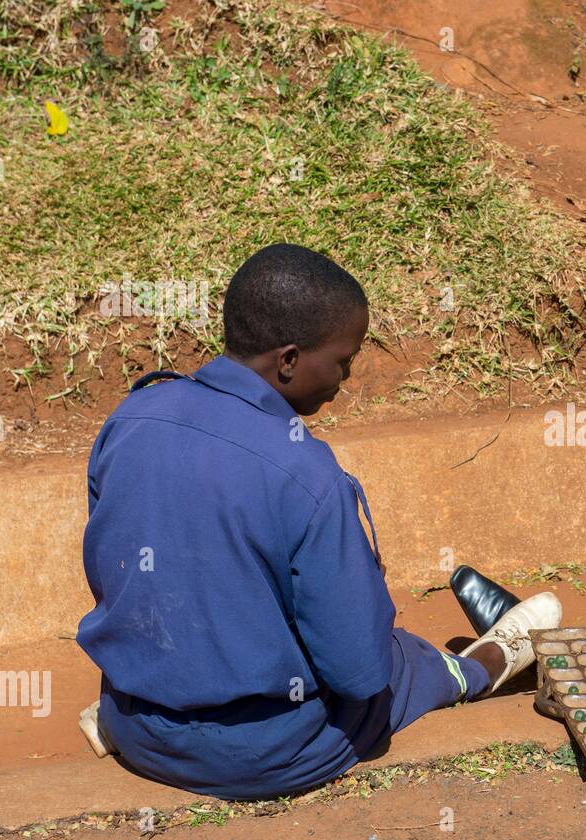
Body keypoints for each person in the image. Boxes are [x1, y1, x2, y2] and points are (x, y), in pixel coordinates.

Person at [75, 243, 561, 799]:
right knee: (398, 662)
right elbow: (358, 674)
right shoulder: (305, 470)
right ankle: (482, 667)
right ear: (287, 360)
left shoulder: (131, 417)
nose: (346, 376)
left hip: (139, 728)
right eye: (343, 360)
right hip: (262, 753)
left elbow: (123, 574)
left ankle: (139, 705)